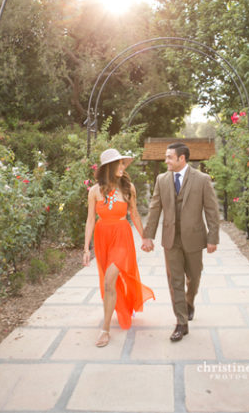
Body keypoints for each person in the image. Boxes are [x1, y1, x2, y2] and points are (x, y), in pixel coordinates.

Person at [141, 142, 220, 342]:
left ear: (181, 158)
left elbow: (212, 210)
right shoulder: (161, 180)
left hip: (194, 237)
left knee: (194, 277)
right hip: (171, 239)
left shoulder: (202, 180)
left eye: (169, 157)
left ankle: (189, 301)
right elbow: (154, 208)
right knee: (174, 280)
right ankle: (181, 322)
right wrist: (148, 235)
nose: (166, 160)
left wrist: (213, 238)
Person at [83, 148, 154, 348]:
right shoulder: (94, 191)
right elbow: (90, 220)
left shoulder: (128, 188)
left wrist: (145, 237)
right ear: (109, 167)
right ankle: (118, 306)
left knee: (109, 281)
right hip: (102, 237)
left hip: (122, 237)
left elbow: (135, 214)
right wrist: (86, 248)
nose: (122, 167)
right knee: (110, 283)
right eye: (119, 163)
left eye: (123, 163)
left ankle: (105, 330)